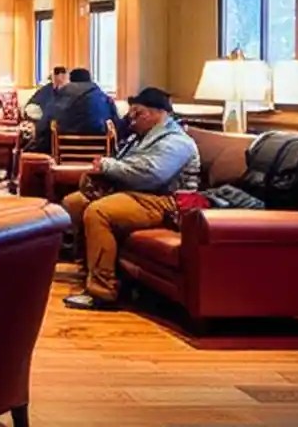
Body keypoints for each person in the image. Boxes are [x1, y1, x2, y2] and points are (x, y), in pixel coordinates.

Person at [60, 88, 200, 310]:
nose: (132, 119)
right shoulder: (140, 137)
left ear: (158, 113)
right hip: (139, 194)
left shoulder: (177, 141)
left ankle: (102, 290)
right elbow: (130, 167)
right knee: (74, 203)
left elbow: (151, 175)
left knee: (99, 212)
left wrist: (108, 166)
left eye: (138, 113)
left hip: (166, 201)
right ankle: (90, 268)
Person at [53, 68, 120, 137]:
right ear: (89, 80)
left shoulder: (62, 96)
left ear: (71, 80)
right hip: (99, 143)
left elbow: (50, 118)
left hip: (66, 143)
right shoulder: (103, 98)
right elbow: (116, 123)